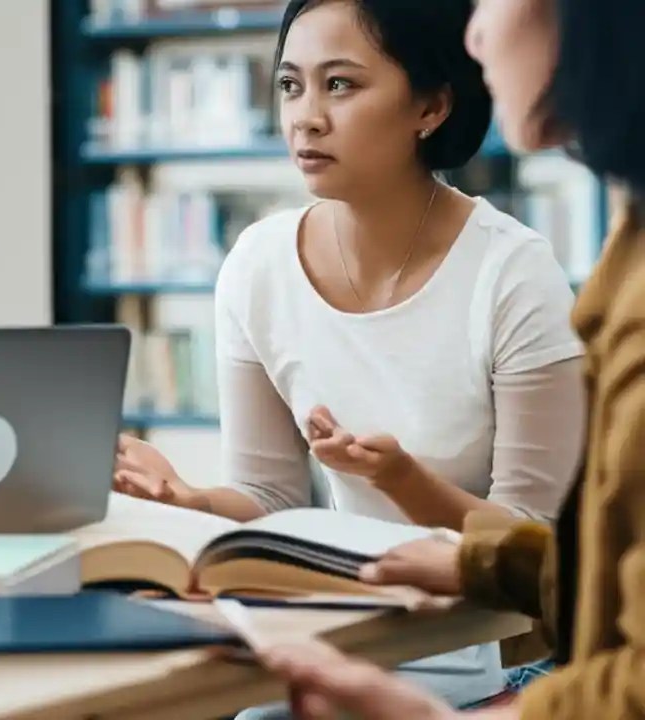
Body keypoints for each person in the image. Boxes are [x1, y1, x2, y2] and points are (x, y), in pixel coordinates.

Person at [111, 0, 585, 714]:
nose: (305, 116)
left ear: (431, 105)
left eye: (340, 85)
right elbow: (269, 498)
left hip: (495, 659)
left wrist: (403, 481)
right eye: (290, 85)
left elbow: (533, 548)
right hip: (345, 629)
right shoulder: (258, 265)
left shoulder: (513, 274)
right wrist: (193, 501)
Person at [258, 0, 645, 717]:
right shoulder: (628, 252)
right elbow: (612, 569)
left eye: (493, 0)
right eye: (290, 85)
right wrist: (480, 562)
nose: (473, 34)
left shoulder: (534, 272)